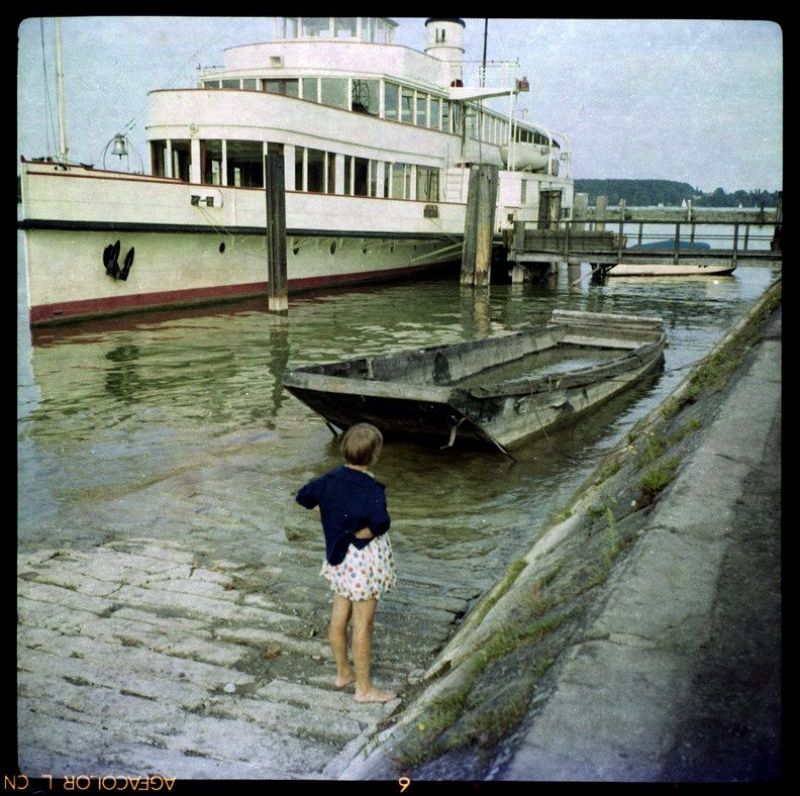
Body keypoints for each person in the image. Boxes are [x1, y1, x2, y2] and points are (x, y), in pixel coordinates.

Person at [295, 423, 397, 703]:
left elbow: (303, 496)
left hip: (339, 558)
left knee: (340, 616)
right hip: (363, 562)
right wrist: (362, 533)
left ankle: (343, 672)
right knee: (363, 624)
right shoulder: (372, 488)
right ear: (374, 456)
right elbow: (381, 522)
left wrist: (328, 507)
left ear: (344, 451)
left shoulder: (329, 480)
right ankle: (364, 689)